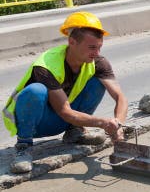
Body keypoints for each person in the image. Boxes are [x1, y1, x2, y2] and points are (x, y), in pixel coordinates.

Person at [4, 12, 129, 174]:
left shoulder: (98, 62)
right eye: (92, 47)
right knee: (35, 91)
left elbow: (120, 97)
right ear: (72, 42)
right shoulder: (46, 65)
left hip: (66, 119)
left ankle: (74, 132)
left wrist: (118, 126)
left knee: (98, 82)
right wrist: (103, 123)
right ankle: (23, 146)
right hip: (38, 123)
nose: (97, 53)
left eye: (99, 47)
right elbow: (65, 111)